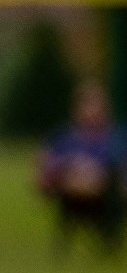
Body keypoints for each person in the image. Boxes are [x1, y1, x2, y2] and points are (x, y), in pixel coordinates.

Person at [34, 81, 125, 257]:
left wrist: (94, 174)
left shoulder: (116, 138)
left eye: (95, 104)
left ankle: (109, 239)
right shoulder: (65, 138)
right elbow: (44, 167)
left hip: (110, 193)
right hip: (73, 193)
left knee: (111, 176)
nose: (91, 110)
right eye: (86, 104)